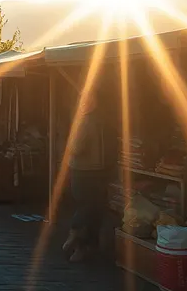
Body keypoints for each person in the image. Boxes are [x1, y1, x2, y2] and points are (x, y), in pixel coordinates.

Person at [63, 90, 107, 263]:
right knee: (90, 207)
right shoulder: (94, 121)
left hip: (85, 170)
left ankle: (79, 240)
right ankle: (79, 241)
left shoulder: (86, 121)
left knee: (89, 207)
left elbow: (75, 148)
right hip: (92, 170)